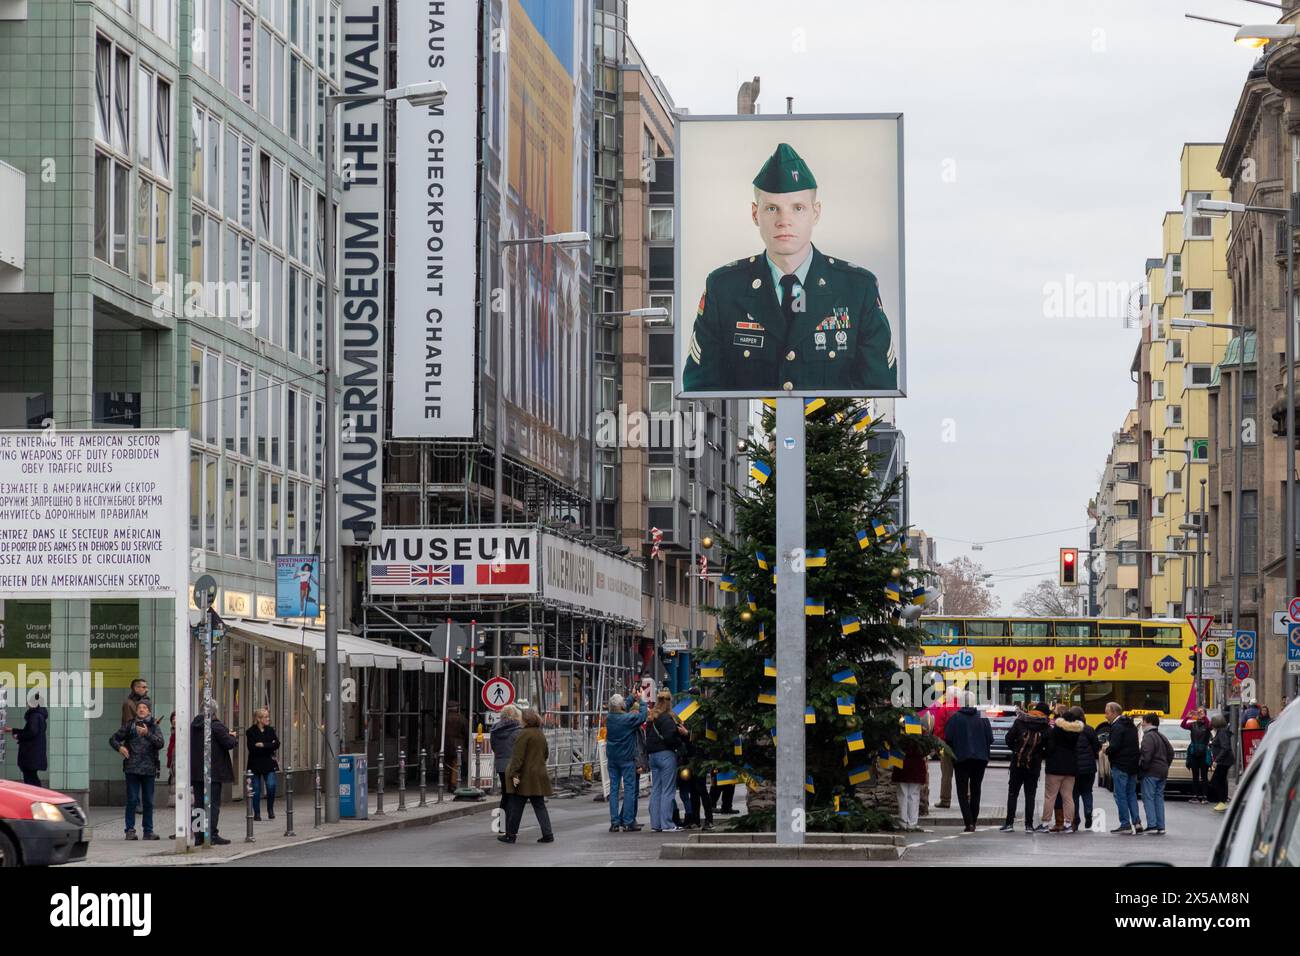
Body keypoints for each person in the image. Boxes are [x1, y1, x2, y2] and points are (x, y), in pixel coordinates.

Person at [682, 142, 897, 393]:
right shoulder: (724, 288)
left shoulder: (857, 289)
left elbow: (879, 386)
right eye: (772, 208)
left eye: (798, 208)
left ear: (815, 213)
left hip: (830, 432)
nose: (784, 221)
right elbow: (701, 389)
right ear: (755, 214)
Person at [110, 700, 164, 840]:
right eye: (139, 707)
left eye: (144, 708)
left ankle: (148, 830)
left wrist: (147, 734)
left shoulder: (154, 725)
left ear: (149, 711)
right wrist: (120, 747)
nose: (141, 710)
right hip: (132, 767)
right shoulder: (130, 725)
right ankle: (130, 830)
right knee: (132, 800)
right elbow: (113, 739)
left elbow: (160, 743)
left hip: (149, 768)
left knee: (148, 801)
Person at [499, 709, 554, 844]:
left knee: (516, 805)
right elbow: (546, 754)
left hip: (524, 776)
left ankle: (510, 835)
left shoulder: (524, 734)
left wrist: (513, 774)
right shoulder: (540, 734)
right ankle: (548, 834)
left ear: (525, 720)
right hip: (539, 775)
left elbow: (518, 757)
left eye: (522, 718)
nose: (520, 720)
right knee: (540, 806)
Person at [942, 692, 993, 832]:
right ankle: (974, 821)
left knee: (962, 791)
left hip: (961, 759)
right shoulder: (983, 718)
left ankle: (968, 822)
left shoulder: (955, 718)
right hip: (980, 759)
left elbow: (948, 738)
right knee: (976, 790)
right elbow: (990, 738)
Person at [190, 710, 239, 845]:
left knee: (199, 804)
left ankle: (199, 836)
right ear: (214, 712)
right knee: (212, 804)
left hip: (196, 772)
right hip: (213, 771)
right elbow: (228, 743)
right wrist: (232, 736)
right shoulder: (216, 726)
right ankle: (211, 834)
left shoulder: (193, 726)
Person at [602, 693, 648, 832]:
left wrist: (631, 697)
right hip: (627, 759)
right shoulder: (628, 719)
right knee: (629, 789)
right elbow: (642, 715)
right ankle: (628, 821)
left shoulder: (609, 719)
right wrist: (641, 701)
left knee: (614, 790)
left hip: (613, 759)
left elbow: (620, 707)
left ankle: (614, 822)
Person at [645, 689, 689, 832]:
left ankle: (655, 824)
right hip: (666, 755)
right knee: (668, 791)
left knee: (656, 789)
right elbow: (670, 738)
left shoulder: (651, 718)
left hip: (653, 757)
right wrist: (679, 741)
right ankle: (667, 824)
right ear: (669, 702)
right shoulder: (667, 718)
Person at [1001, 701, 1048, 832]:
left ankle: (1009, 824)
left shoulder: (1020, 721)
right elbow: (1049, 747)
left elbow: (1008, 739)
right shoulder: (1045, 727)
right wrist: (1038, 754)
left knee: (1012, 794)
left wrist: (1016, 750)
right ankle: (1029, 825)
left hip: (1017, 764)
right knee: (1030, 796)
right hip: (1033, 766)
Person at [1039, 707, 1083, 833]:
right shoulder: (1076, 732)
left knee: (1050, 796)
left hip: (1055, 767)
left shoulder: (1056, 730)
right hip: (1070, 768)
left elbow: (1049, 746)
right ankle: (1069, 824)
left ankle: (1045, 823)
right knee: (1068, 797)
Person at [1103, 702, 1142, 834]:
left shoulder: (1117, 726)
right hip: (1132, 765)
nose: (1105, 715)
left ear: (1114, 713)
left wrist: (1106, 750)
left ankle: (1125, 823)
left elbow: (1115, 746)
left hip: (1120, 765)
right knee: (1131, 794)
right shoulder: (1130, 725)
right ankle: (1136, 822)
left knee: (1120, 795)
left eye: (1107, 712)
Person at [1138, 713, 1173, 835]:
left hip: (1151, 772)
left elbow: (1146, 755)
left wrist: (1142, 768)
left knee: (1148, 797)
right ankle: (1160, 825)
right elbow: (1171, 752)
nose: (1142, 724)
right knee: (1158, 798)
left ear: (1149, 722)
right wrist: (1165, 765)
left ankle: (1152, 824)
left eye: (1143, 721)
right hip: (1162, 771)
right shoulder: (1162, 736)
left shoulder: (1148, 737)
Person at [926, 690, 961, 809]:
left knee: (946, 774)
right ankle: (967, 798)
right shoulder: (963, 708)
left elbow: (938, 728)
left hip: (946, 746)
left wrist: (938, 745)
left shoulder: (944, 708)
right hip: (962, 747)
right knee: (964, 774)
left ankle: (945, 800)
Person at [245, 707, 280, 821]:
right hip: (255, 763)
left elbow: (276, 744)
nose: (268, 719)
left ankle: (270, 808)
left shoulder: (270, 730)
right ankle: (257, 813)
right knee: (255, 789)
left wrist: (263, 745)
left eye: (268, 716)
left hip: (268, 763)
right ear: (259, 719)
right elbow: (252, 748)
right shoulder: (251, 732)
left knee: (271, 785)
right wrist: (269, 745)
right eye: (265, 717)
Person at [1071, 706, 1102, 832]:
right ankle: (1088, 812)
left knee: (1074, 794)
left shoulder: (1069, 729)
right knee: (1087, 791)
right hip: (1089, 767)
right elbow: (1096, 747)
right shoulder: (1089, 729)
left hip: (1073, 767)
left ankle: (1075, 819)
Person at [490, 704, 523, 812]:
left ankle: (501, 823)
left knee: (505, 793)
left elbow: (494, 747)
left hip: (501, 765)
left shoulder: (495, 730)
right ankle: (510, 822)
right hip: (514, 766)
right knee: (514, 794)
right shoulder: (518, 730)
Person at [893, 732, 929, 832]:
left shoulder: (900, 731)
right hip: (916, 765)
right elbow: (927, 748)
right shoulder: (921, 730)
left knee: (902, 794)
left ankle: (903, 821)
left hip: (902, 763)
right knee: (914, 794)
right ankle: (912, 822)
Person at [12, 693, 48, 787]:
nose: (27, 704)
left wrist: (18, 736)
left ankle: (38, 798)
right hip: (34, 753)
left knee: (30, 779)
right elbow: (31, 731)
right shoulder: (40, 715)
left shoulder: (34, 716)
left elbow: (32, 732)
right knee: (32, 777)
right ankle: (39, 797)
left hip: (30, 754)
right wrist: (13, 730)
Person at [1182, 707, 1212, 803]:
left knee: (1204, 776)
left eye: (1201, 712)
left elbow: (1210, 726)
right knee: (1195, 776)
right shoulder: (1193, 725)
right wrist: (1187, 717)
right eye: (1198, 712)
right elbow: (1183, 725)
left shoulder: (1207, 725)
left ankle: (1204, 796)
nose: (1199, 713)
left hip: (1203, 753)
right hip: (1194, 752)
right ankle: (1195, 796)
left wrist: (1205, 717)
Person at [1208, 713, 1234, 812]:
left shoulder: (1222, 732)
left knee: (1217, 781)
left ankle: (1222, 801)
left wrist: (1216, 760)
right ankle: (1222, 802)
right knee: (1221, 781)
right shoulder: (1221, 731)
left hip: (1224, 761)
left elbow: (1225, 747)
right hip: (1224, 760)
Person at [442, 701, 469, 790]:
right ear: (457, 708)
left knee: (448, 764)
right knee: (455, 764)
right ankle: (453, 784)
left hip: (446, 744)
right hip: (458, 745)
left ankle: (450, 784)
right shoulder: (461, 718)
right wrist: (467, 744)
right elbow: (466, 733)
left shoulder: (444, 719)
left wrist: (437, 747)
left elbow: (439, 734)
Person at [166, 711, 176, 786]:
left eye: (176, 718)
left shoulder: (182, 733)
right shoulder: (173, 733)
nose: (174, 721)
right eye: (172, 719)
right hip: (173, 769)